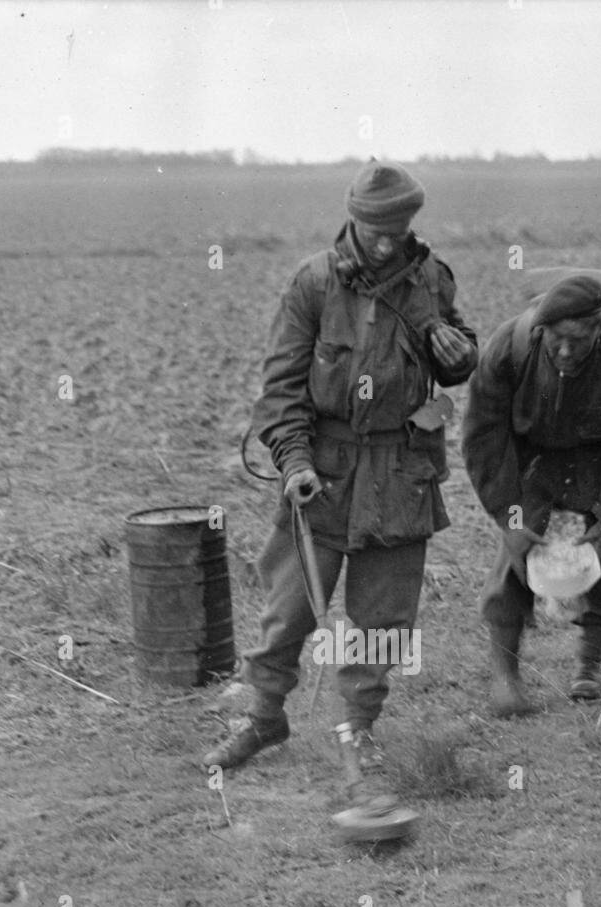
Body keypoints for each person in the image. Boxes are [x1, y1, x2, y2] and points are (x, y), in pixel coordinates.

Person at [202, 161, 478, 813]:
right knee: (289, 608)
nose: (385, 242)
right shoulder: (315, 284)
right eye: (373, 229)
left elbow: (457, 356)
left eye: (397, 229)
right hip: (321, 476)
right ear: (353, 220)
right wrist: (295, 463)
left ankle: (359, 733)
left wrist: (462, 354)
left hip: (402, 476)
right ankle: (264, 716)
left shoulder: (431, 279)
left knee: (381, 623)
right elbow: (280, 393)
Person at [461, 274, 601, 713]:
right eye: (557, 340)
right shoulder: (508, 348)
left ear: (599, 327)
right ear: (540, 331)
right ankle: (505, 681)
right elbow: (482, 436)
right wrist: (510, 517)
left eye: (578, 340)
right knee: (517, 559)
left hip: (599, 457)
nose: (566, 351)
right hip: (530, 458)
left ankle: (588, 668)